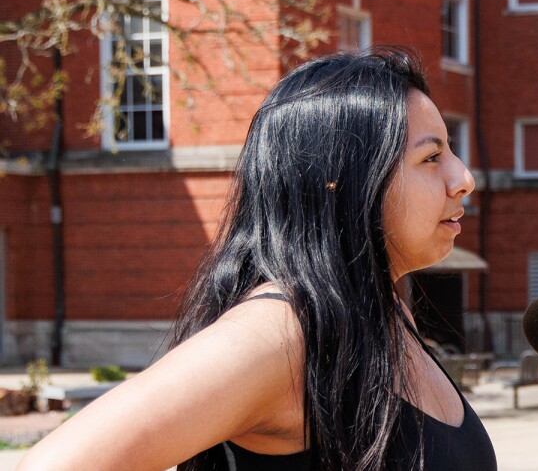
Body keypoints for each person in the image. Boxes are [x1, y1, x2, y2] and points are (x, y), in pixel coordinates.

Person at [18, 47, 496, 471]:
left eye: (449, 150)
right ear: (342, 180)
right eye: (430, 159)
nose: (463, 177)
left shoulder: (385, 313)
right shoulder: (281, 334)